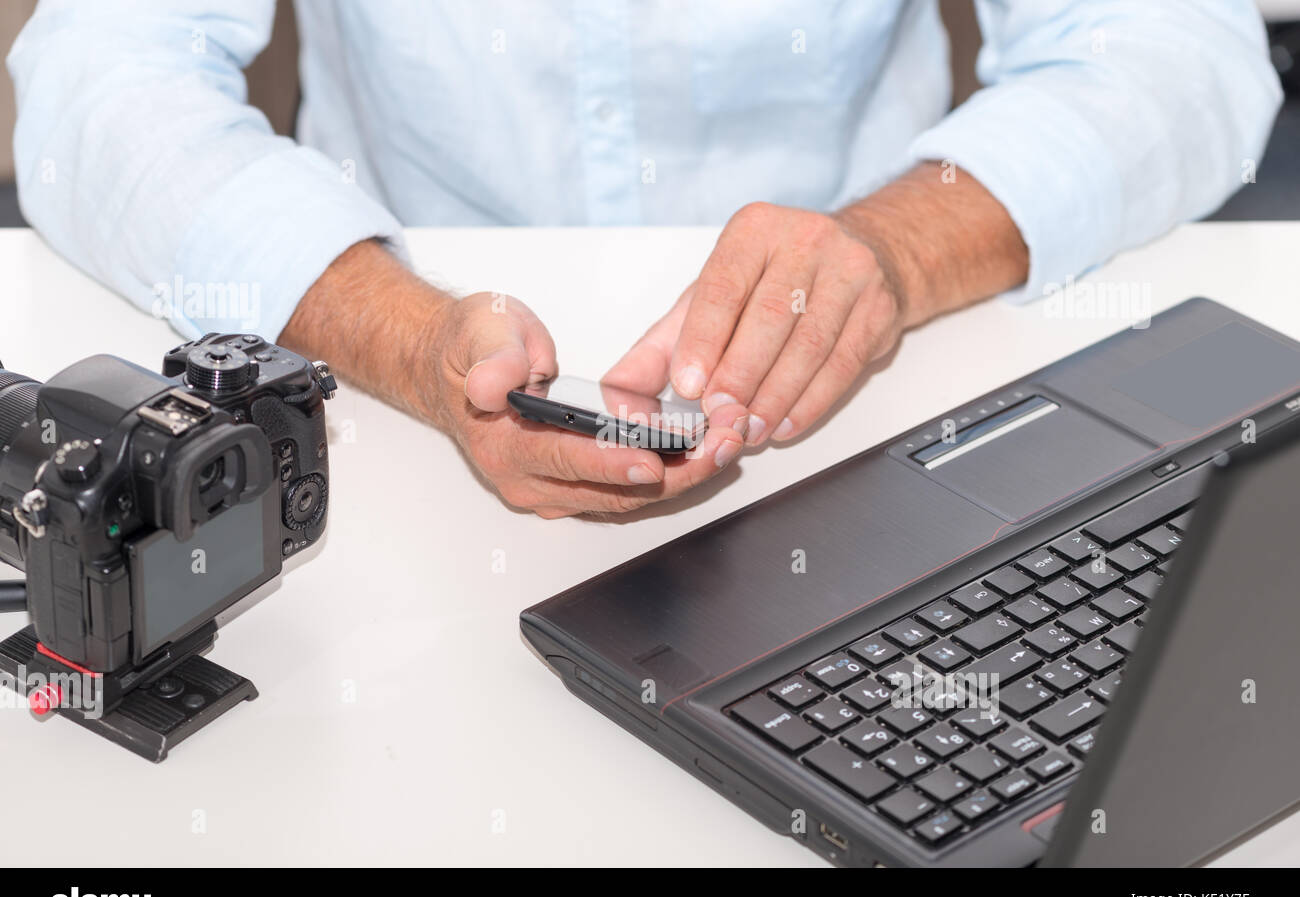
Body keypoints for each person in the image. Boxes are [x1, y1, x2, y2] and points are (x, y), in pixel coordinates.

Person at [8, 1, 1280, 517]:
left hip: (879, 405)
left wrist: (886, 258)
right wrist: (401, 336)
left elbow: (1171, 45)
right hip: (377, 419)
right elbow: (94, 76)